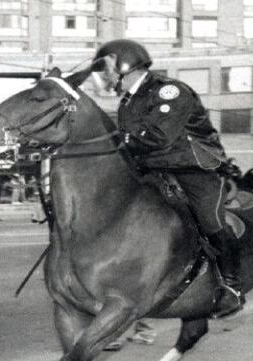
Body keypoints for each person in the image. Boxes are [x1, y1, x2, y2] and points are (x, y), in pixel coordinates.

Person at [92, 38, 243, 318]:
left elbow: (159, 136)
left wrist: (112, 138)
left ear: (126, 67)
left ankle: (231, 286)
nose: (106, 79)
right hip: (153, 167)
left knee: (210, 218)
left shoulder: (170, 92)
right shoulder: (128, 101)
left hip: (192, 165)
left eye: (108, 71)